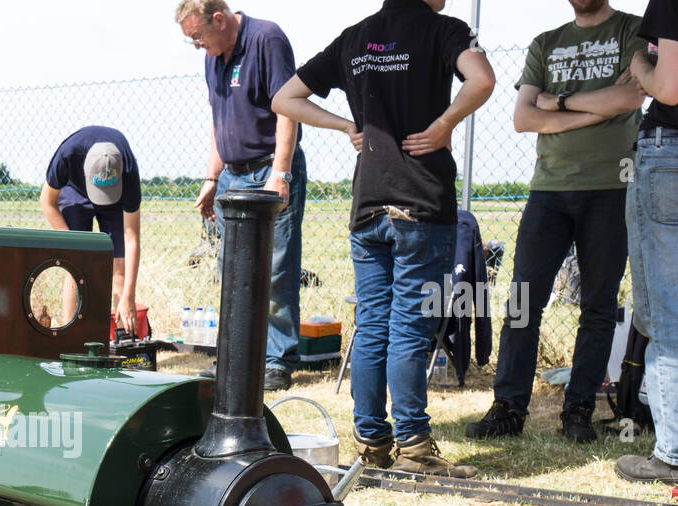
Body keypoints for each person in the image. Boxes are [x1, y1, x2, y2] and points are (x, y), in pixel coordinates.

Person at [273, 0, 495, 476]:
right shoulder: (444, 29)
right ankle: (414, 447)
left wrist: (346, 126)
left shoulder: (354, 36)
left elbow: (284, 98)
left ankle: (371, 443)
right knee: (411, 328)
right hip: (421, 201)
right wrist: (443, 126)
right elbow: (483, 80)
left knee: (372, 325)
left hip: (367, 203)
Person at [465, 0, 646, 445]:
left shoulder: (631, 31)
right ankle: (508, 408)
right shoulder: (546, 43)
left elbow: (630, 96)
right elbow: (524, 117)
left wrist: (559, 102)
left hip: (611, 186)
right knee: (523, 302)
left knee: (598, 306)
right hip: (548, 189)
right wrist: (595, 110)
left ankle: (578, 409)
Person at [175, 0, 305, 390]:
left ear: (219, 19)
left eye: (198, 36)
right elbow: (219, 121)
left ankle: (276, 361)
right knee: (232, 273)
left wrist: (280, 173)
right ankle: (233, 359)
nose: (197, 46)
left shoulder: (267, 38)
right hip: (231, 176)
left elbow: (289, 110)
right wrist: (212, 178)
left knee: (276, 269)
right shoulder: (212, 57)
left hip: (269, 169)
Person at [617, 0, 678, 482]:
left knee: (665, 312)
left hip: (669, 153)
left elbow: (669, 87)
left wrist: (640, 62)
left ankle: (672, 453)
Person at [39, 126, 142, 334]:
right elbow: (47, 202)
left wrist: (129, 296)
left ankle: (120, 336)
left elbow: (132, 239)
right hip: (74, 192)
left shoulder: (129, 170)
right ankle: (69, 335)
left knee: (118, 266)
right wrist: (72, 244)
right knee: (75, 264)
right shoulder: (68, 153)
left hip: (116, 198)